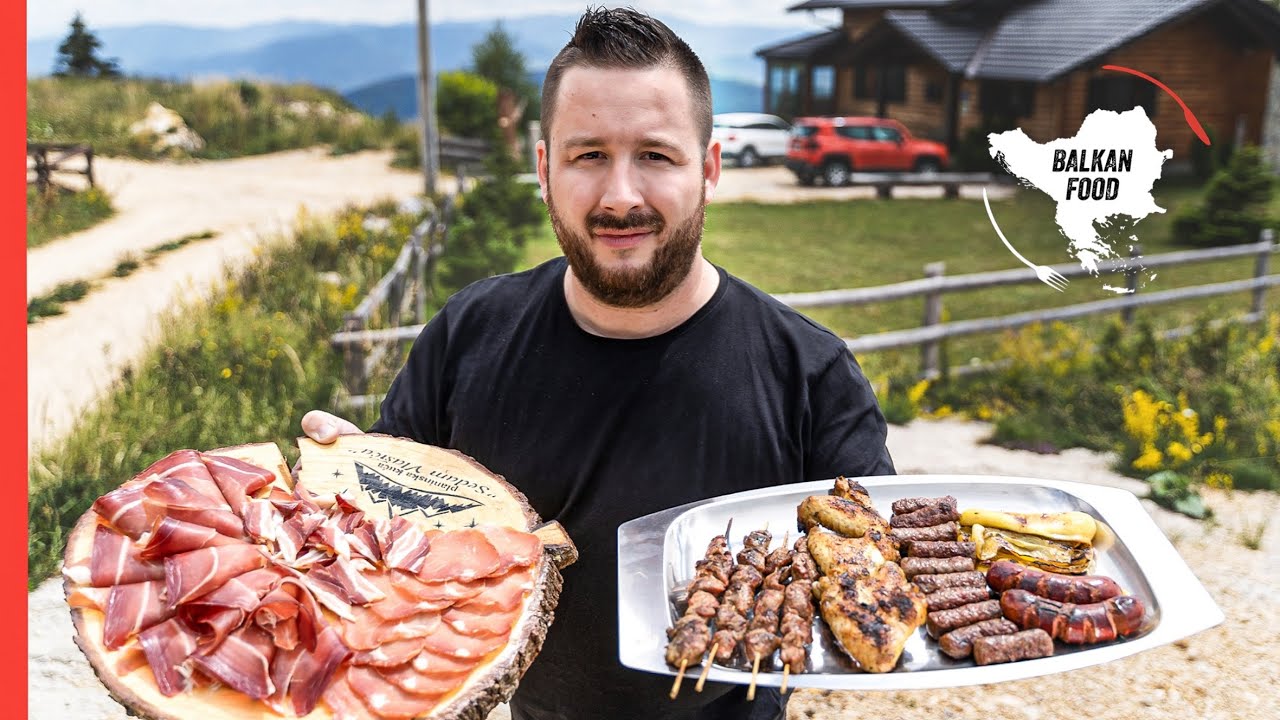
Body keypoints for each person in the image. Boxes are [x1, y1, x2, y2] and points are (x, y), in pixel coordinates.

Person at [302, 7, 894, 719]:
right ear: (544, 169)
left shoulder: (811, 375)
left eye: (655, 155)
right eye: (588, 155)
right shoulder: (468, 334)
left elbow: (880, 566)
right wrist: (344, 496)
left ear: (708, 170)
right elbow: (388, 543)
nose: (620, 197)